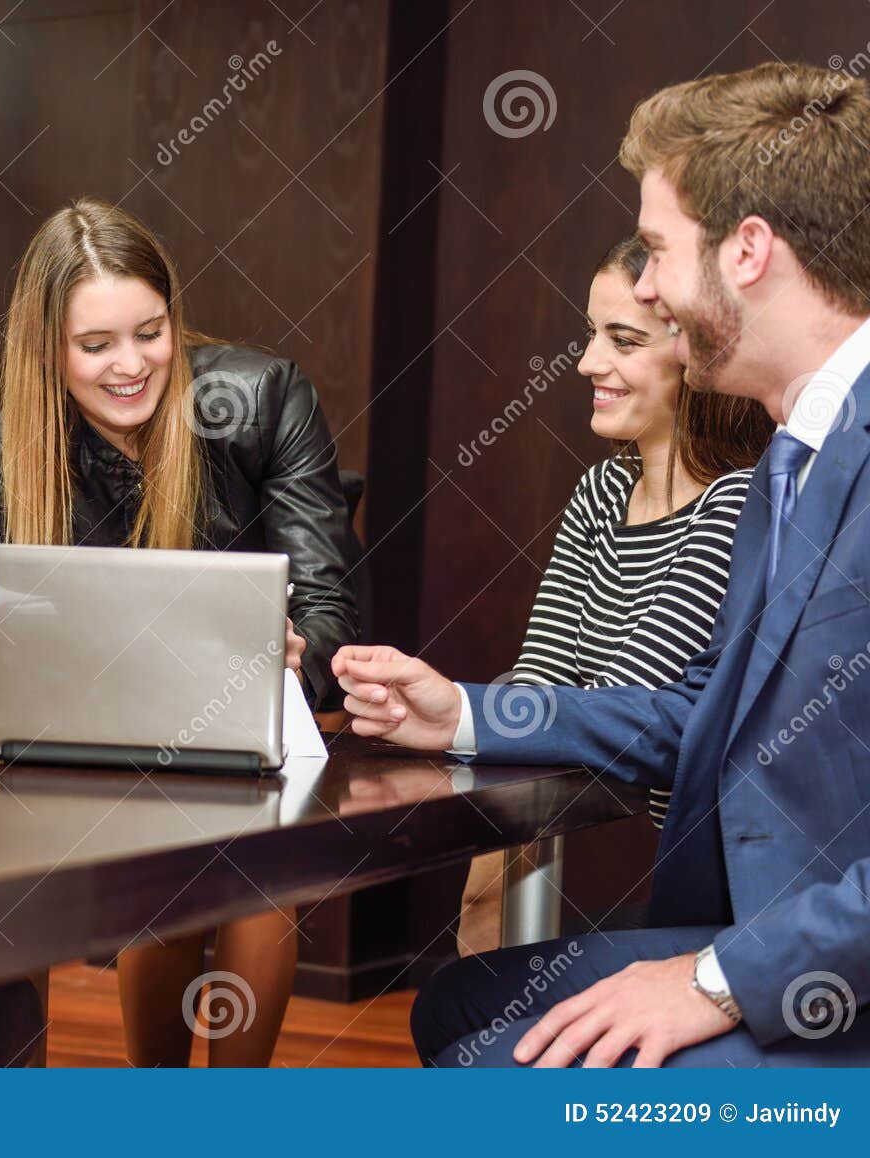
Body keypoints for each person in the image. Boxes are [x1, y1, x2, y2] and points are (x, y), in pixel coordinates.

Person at [335, 62, 870, 1067]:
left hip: (828, 980)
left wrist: (717, 981)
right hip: (773, 944)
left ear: (747, 250)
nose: (655, 284)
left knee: (499, 1066)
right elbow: (696, 715)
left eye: (661, 251)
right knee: (459, 1006)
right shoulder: (790, 464)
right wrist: (465, 712)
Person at [0, 198, 362, 1066]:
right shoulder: (12, 444)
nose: (131, 366)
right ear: (48, 350)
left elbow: (332, 612)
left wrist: (294, 662)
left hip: (260, 719)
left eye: (149, 333)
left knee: (252, 864)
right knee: (152, 838)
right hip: (107, 734)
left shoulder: (263, 396)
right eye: (96, 345)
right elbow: (29, 629)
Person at [456, 235, 771, 955]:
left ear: (694, 354)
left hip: (744, 896)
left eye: (622, 340)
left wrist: (476, 715)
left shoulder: (737, 501)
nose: (588, 363)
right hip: (645, 837)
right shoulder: (600, 490)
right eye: (591, 336)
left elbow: (632, 695)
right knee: (486, 879)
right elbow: (539, 677)